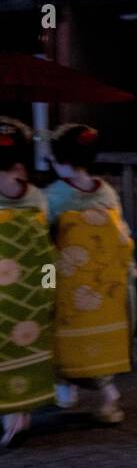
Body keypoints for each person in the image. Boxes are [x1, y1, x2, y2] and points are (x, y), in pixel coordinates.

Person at [46, 124, 137, 425]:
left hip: (71, 284)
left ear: (61, 161)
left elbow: (44, 239)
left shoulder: (54, 197)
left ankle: (71, 388)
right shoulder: (106, 192)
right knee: (101, 338)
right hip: (106, 281)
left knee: (61, 336)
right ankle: (103, 397)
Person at [0, 118, 56, 447]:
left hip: (4, 288)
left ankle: (11, 415)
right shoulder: (35, 195)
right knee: (27, 344)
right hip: (35, 285)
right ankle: (21, 410)